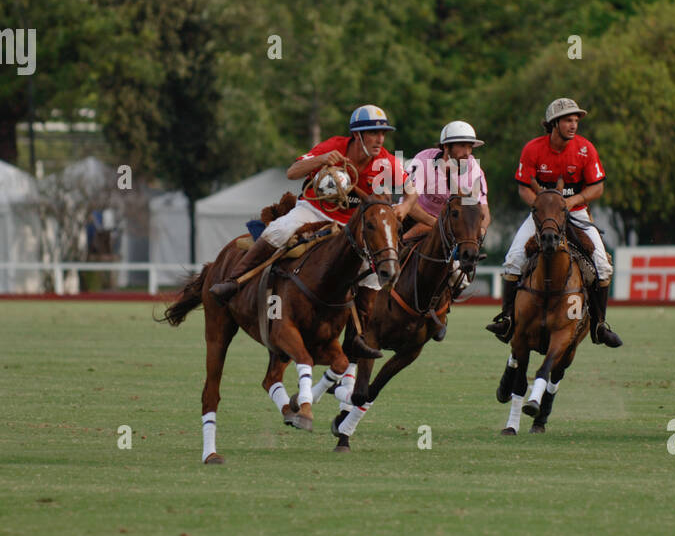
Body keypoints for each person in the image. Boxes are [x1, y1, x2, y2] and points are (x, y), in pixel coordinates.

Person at [209, 104, 416, 360]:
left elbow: (411, 191)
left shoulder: (386, 161)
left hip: (349, 226)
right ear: (358, 135)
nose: (380, 139)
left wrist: (405, 207)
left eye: (383, 133)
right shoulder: (334, 147)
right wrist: (321, 160)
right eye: (373, 133)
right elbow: (292, 172)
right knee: (278, 231)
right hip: (314, 211)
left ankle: (355, 338)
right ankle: (233, 281)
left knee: (372, 273)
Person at [486, 98, 622, 348]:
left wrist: (572, 202)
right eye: (568, 120)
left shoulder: (585, 149)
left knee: (603, 266)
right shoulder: (533, 149)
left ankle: (600, 325)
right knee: (514, 259)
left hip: (577, 212)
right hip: (542, 216)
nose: (573, 125)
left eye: (576, 120)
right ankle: (506, 319)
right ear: (553, 124)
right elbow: (524, 188)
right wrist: (542, 207)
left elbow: (598, 187)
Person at [402, 121, 492, 341]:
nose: (468, 152)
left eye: (470, 147)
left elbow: (483, 212)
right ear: (446, 147)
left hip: (451, 227)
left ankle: (441, 312)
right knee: (386, 250)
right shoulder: (424, 160)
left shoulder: (474, 171)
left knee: (461, 277)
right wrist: (436, 227)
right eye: (462, 146)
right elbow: (409, 203)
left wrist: (478, 231)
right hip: (414, 217)